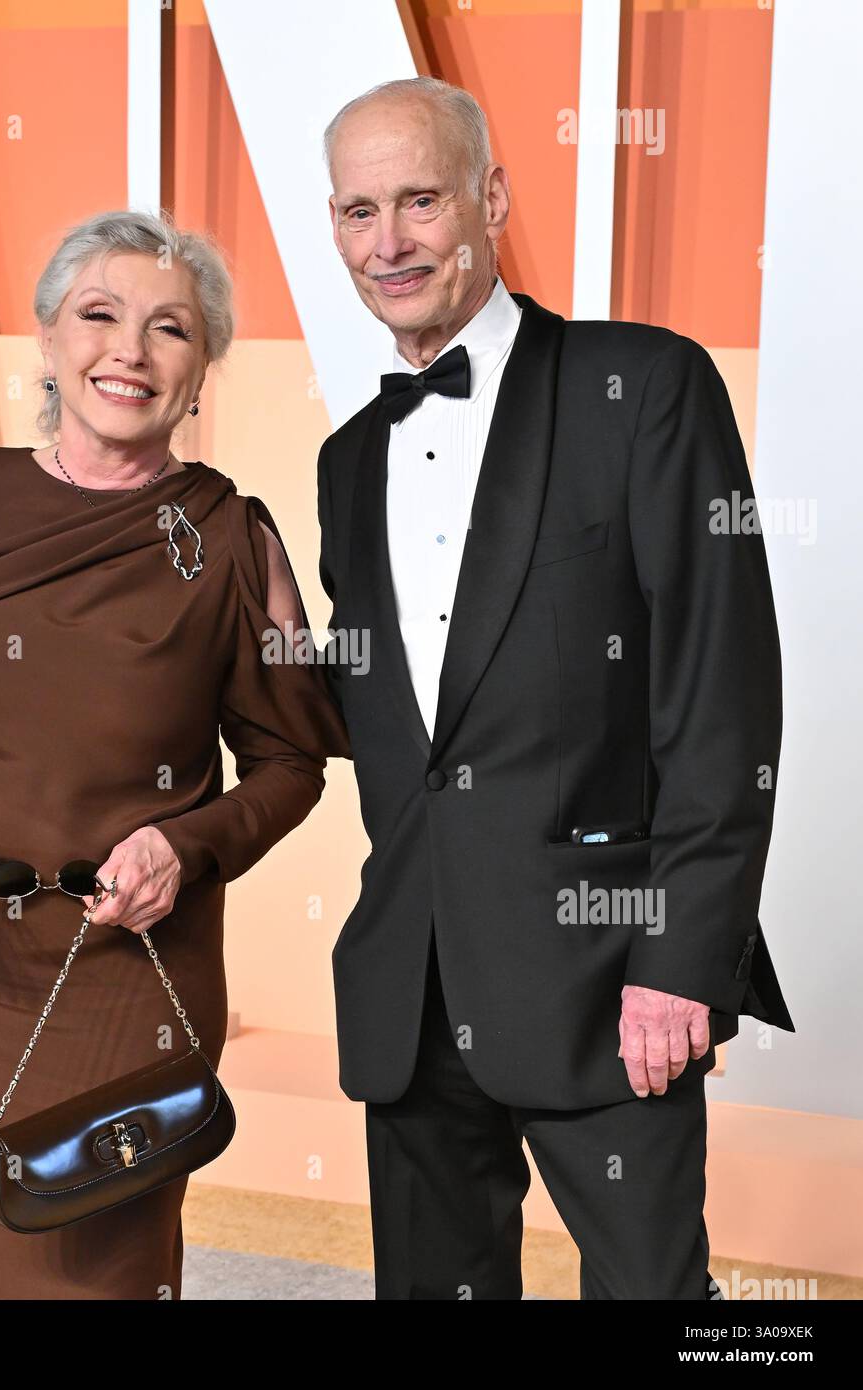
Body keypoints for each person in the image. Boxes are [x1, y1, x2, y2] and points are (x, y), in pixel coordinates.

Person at [315, 76, 794, 1300]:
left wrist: (684, 956)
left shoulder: (642, 387)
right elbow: (397, 709)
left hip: (606, 980)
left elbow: (719, 690)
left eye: (419, 200)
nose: (390, 242)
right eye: (359, 210)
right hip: (410, 986)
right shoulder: (346, 459)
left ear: (489, 198)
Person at [0, 207, 348, 1300]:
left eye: (168, 328)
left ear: (199, 367)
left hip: (130, 969)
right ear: (49, 336)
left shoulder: (230, 535)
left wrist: (188, 842)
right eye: (99, 314)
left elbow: (291, 761)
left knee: (102, 1272)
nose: (128, 348)